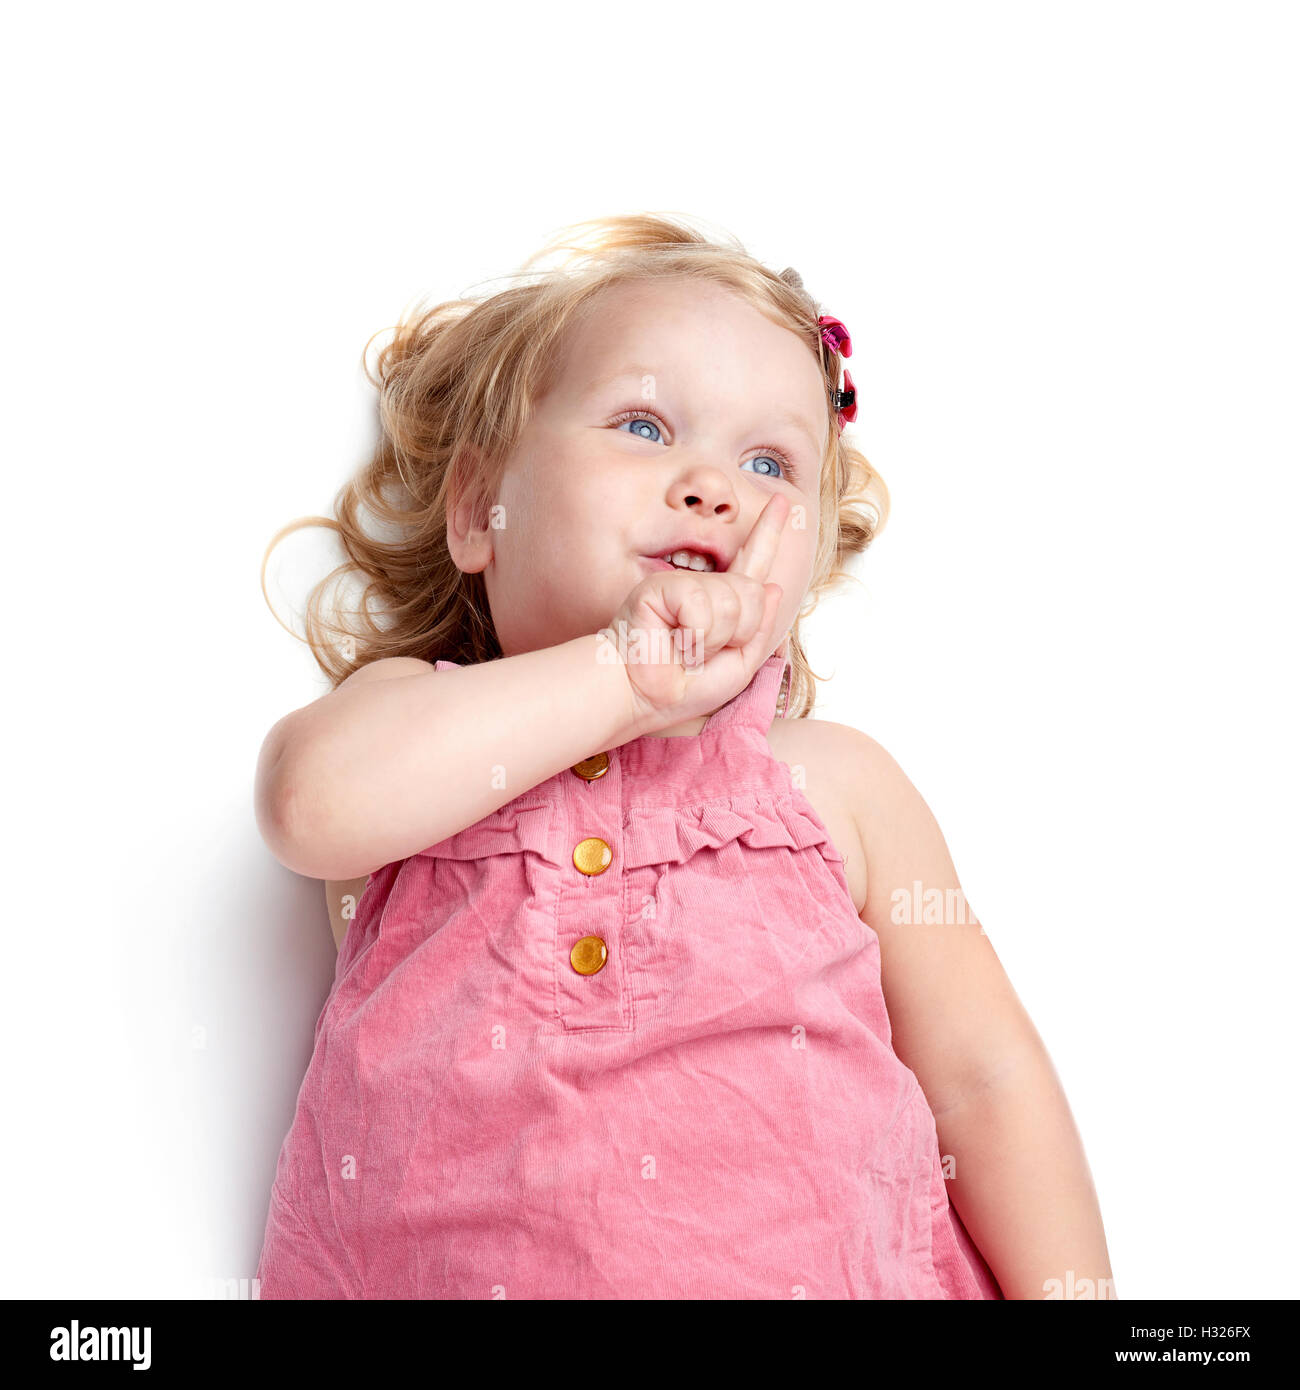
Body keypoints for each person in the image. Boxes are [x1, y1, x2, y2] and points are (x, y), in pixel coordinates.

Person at [252, 212, 1115, 1299]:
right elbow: (307, 803)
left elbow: (986, 1082)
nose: (713, 486)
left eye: (768, 461)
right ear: (481, 509)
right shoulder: (415, 729)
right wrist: (624, 674)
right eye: (646, 427)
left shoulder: (831, 784)